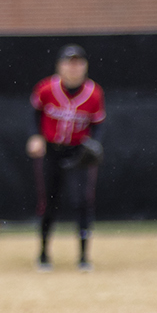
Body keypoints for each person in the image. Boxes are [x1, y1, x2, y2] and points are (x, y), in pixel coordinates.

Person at [27, 44, 105, 271]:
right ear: (59, 66)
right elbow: (34, 114)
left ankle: (83, 256)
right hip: (52, 150)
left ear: (85, 66)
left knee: (82, 202)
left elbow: (98, 124)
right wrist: (35, 136)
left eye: (78, 63)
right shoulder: (46, 88)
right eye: (69, 63)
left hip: (79, 152)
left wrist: (95, 144)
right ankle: (43, 253)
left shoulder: (94, 93)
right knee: (49, 202)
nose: (73, 67)